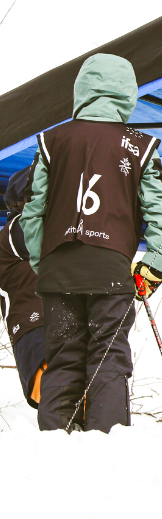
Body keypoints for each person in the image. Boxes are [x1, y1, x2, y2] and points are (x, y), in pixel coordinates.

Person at [21, 53, 162, 432]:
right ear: (128, 93)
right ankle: (107, 447)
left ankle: (54, 446)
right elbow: (159, 215)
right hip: (110, 269)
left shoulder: (51, 141)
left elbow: (32, 213)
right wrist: (153, 266)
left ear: (81, 91)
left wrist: (44, 263)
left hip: (59, 270)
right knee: (108, 356)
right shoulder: (140, 146)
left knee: (63, 358)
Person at [0, 167, 47, 408]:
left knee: (86, 401)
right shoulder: (15, 229)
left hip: (58, 322)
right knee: (57, 393)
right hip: (34, 325)